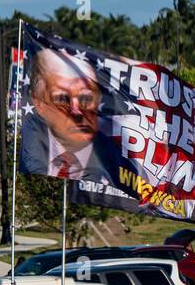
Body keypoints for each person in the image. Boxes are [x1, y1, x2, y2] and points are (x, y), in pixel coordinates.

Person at [19, 48, 121, 184]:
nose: (76, 111)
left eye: (86, 99)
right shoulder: (28, 152)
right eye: (62, 99)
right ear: (39, 104)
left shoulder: (118, 164)